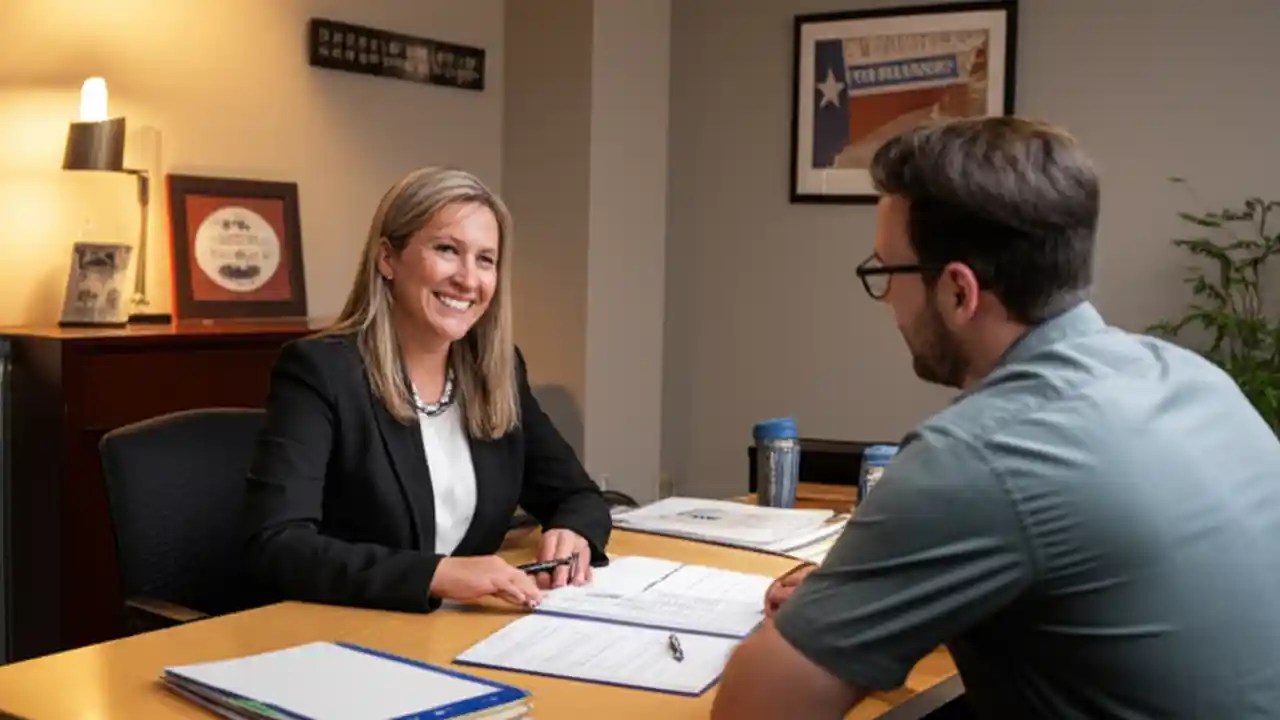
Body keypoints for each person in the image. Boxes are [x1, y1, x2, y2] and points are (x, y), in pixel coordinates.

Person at [712, 117, 1280, 718]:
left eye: (885, 273)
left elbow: (756, 710)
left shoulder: (979, 454)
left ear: (959, 292)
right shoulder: (1193, 378)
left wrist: (812, 623)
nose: (889, 306)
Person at [242, 166, 612, 613]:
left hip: (463, 630)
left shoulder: (495, 371)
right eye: (446, 250)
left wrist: (574, 531)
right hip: (345, 633)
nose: (468, 279)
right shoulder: (322, 372)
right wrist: (437, 574)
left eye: (485, 259)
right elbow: (278, 546)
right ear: (387, 258)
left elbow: (578, 495)